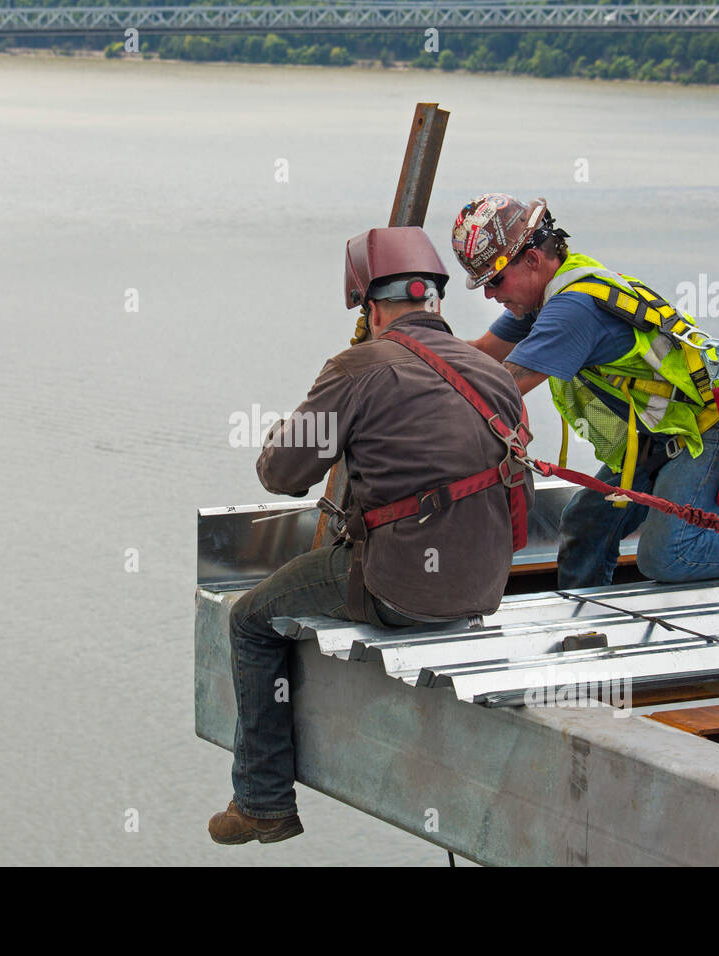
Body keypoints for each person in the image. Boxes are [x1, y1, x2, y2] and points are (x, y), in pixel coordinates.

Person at [209, 225, 533, 846]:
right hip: (485, 587)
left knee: (249, 618)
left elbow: (283, 475)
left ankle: (262, 800)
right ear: (435, 298)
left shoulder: (357, 366)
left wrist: (292, 424)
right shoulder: (490, 373)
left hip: (400, 590)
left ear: (370, 307)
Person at [452, 192, 719, 589]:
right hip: (669, 431)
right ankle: (586, 621)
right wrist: (412, 339)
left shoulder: (572, 310)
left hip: (718, 424)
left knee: (668, 556)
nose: (489, 295)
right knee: (587, 523)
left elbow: (498, 390)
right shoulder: (547, 297)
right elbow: (481, 355)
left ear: (532, 260)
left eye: (494, 279)